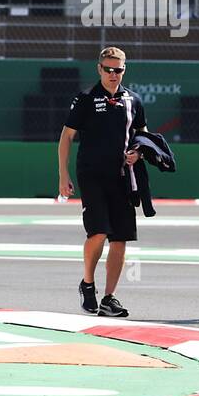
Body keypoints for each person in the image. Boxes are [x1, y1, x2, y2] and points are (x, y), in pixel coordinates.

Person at [58, 46, 147, 318]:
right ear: (99, 69)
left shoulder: (133, 100)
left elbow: (143, 136)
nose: (112, 74)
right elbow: (66, 137)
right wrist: (63, 174)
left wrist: (138, 152)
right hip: (92, 175)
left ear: (124, 70)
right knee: (98, 231)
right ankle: (87, 284)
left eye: (117, 69)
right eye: (108, 69)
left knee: (120, 239)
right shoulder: (85, 98)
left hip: (122, 177)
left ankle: (109, 297)